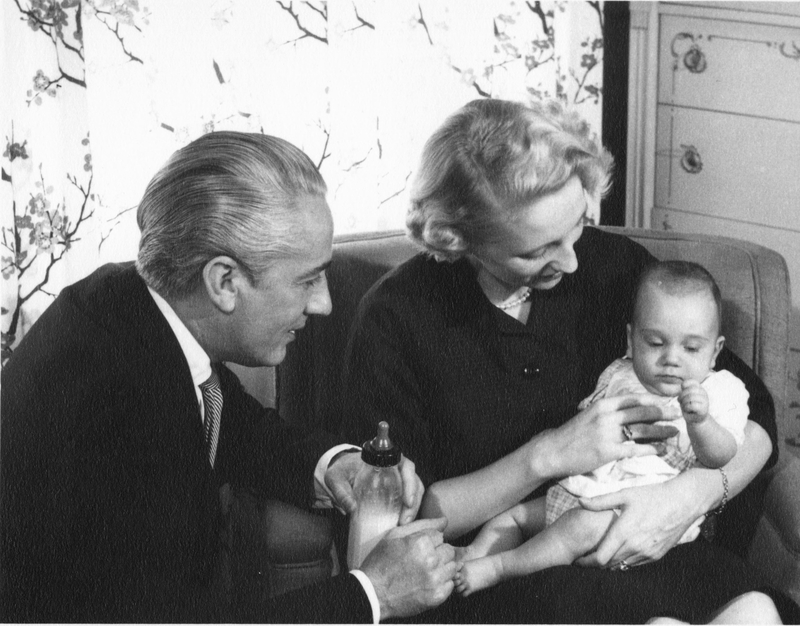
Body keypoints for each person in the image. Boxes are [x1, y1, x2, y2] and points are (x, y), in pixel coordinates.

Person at [340, 99, 800, 623]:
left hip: (666, 554)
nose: (572, 260)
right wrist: (548, 455)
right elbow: (398, 522)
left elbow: (757, 414)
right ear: (460, 239)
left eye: (578, 223)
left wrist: (685, 498)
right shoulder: (398, 318)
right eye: (536, 251)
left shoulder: (614, 268)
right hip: (504, 581)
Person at [0, 131, 458, 623]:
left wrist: (335, 464)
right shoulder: (114, 412)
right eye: (307, 279)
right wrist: (374, 593)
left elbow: (232, 423)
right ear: (223, 281)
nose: (323, 304)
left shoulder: (131, 304)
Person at [452, 260, 780, 622]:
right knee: (514, 517)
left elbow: (722, 455)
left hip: (640, 510)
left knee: (576, 529)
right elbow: (585, 431)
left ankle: (500, 568)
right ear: (631, 340)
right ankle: (472, 557)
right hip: (585, 488)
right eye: (655, 343)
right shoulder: (619, 373)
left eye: (691, 349)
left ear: (715, 352)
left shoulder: (719, 391)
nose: (671, 359)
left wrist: (700, 422)